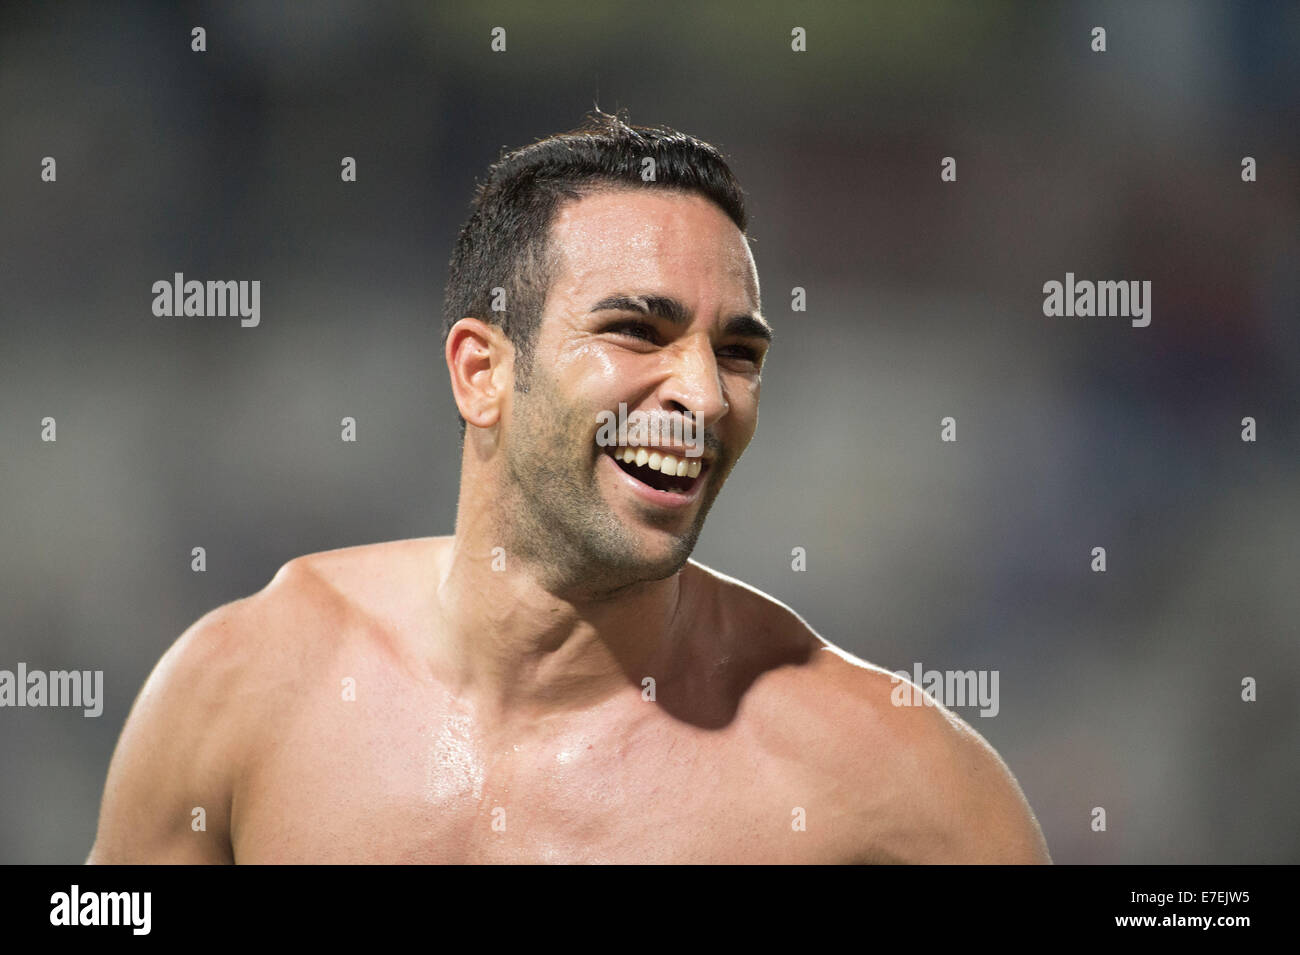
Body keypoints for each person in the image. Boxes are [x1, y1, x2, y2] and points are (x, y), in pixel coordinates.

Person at [87, 110, 1051, 863]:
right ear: (482, 372)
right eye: (638, 330)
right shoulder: (240, 689)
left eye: (738, 351)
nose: (706, 395)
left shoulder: (891, 779)